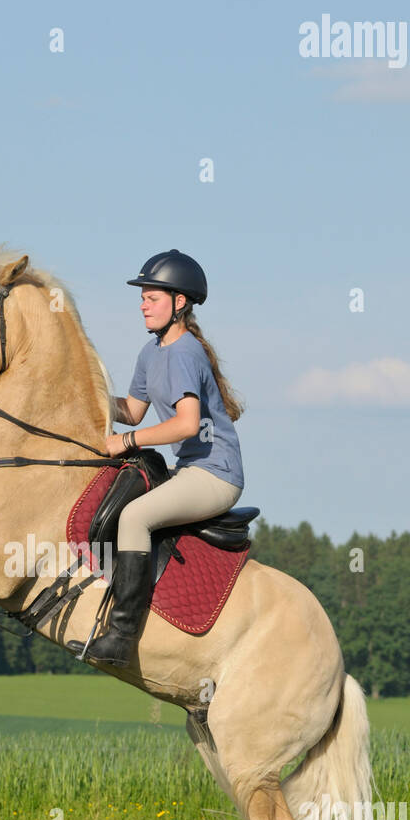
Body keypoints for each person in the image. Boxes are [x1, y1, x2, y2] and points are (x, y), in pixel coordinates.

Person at [76, 249, 246, 667]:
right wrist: (82, 395)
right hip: (189, 470)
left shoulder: (186, 352)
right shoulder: (151, 352)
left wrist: (126, 442)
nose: (142, 304)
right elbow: (131, 410)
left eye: (152, 297)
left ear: (180, 302)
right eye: (142, 297)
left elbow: (187, 425)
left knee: (134, 516)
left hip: (215, 475)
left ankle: (121, 635)